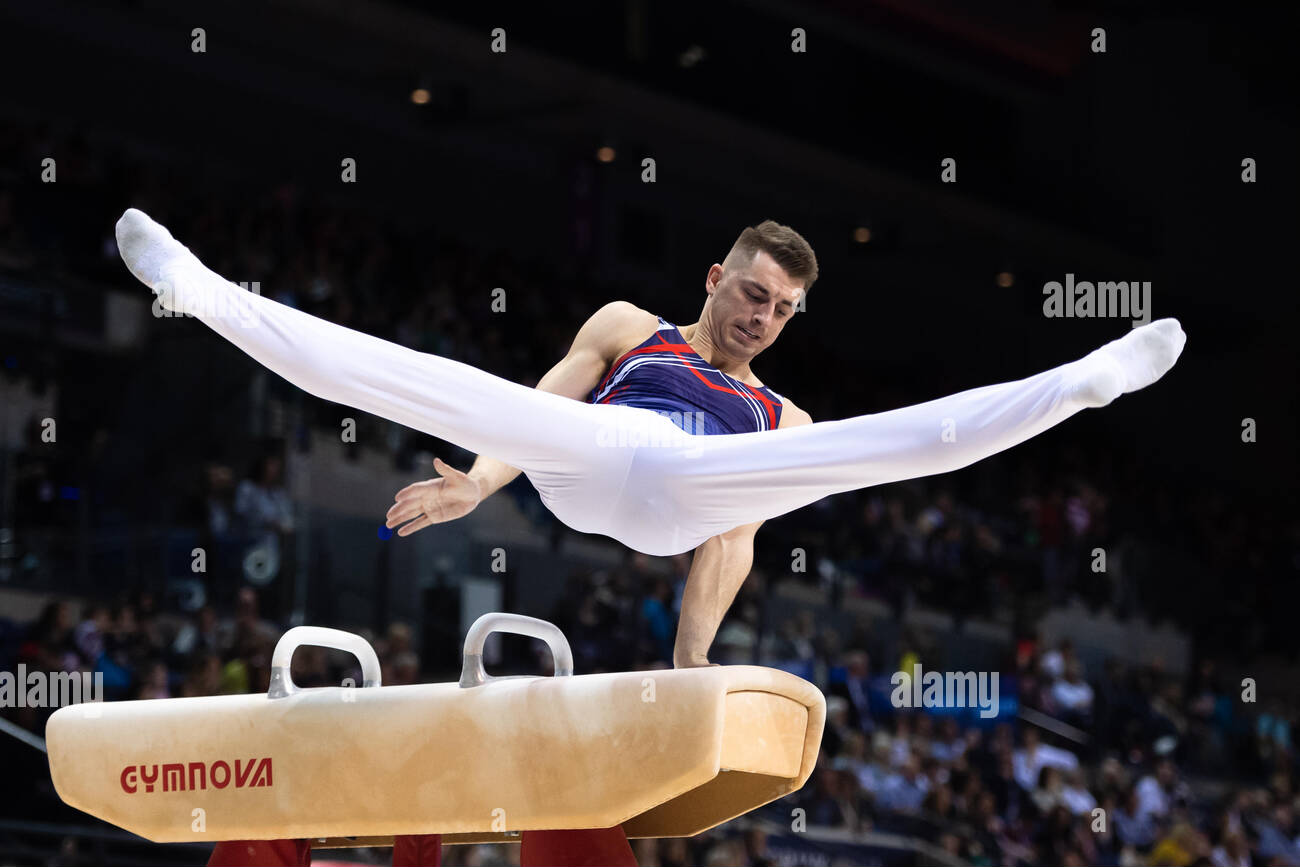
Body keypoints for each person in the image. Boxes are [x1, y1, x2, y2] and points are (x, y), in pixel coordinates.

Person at [115, 209, 1186, 666]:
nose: (761, 316)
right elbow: (538, 400)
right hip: (590, 453)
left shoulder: (783, 419)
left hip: (696, 491)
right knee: (441, 385)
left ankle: (1079, 383)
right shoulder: (630, 327)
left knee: (884, 442)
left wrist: (689, 662)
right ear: (717, 277)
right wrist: (479, 485)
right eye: (751, 292)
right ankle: (200, 289)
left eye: (781, 310)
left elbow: (732, 541)